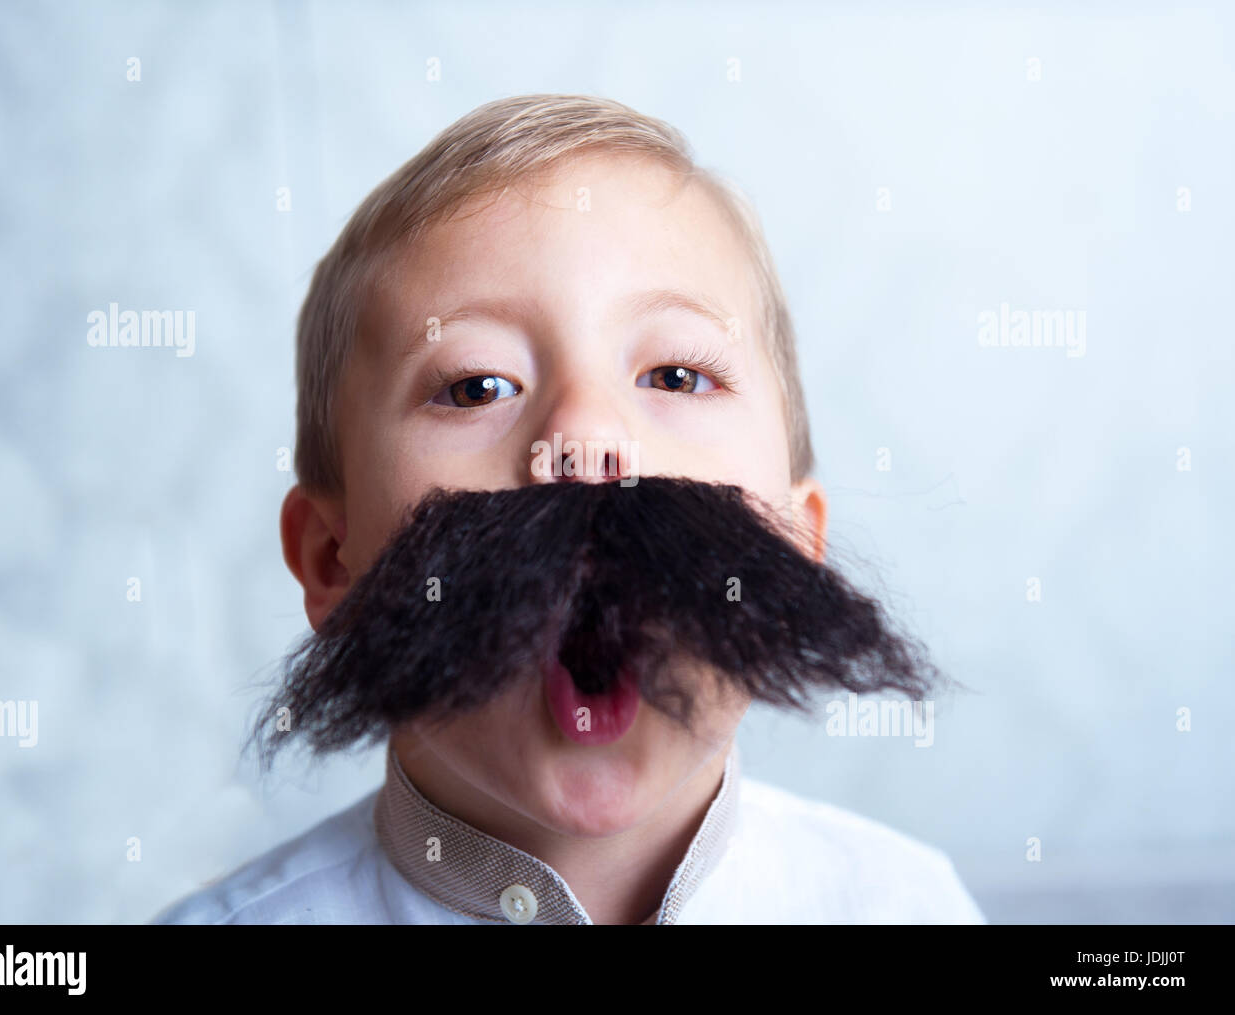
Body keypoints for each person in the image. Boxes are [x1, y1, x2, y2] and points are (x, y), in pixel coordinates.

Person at [151, 93, 985, 926]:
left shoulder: (910, 906)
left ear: (797, 544)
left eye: (676, 376)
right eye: (477, 386)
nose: (585, 443)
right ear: (333, 560)